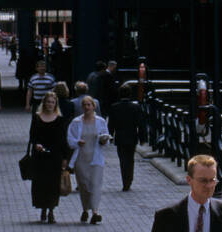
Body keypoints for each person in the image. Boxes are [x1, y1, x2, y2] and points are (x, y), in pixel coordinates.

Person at [67, 96, 110, 225]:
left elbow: (106, 137)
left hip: (96, 158)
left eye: (89, 105)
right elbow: (70, 139)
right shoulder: (76, 122)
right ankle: (85, 209)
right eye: (84, 105)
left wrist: (104, 140)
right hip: (81, 158)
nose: (86, 107)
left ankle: (95, 212)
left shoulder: (100, 121)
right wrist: (77, 142)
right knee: (84, 185)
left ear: (93, 106)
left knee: (95, 185)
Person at [27, 91, 69, 224]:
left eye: (52, 102)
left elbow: (63, 140)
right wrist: (36, 144)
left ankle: (51, 210)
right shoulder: (37, 117)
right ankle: (42, 208)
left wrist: (65, 158)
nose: (50, 104)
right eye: (48, 102)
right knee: (40, 183)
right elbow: (32, 135)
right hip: (40, 156)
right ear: (44, 103)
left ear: (55, 104)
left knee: (53, 184)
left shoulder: (60, 119)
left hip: (54, 156)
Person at [107, 97, 144, 191]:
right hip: (132, 136)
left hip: (120, 136)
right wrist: (142, 138)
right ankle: (129, 179)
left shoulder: (114, 107)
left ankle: (125, 180)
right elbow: (141, 124)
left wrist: (110, 135)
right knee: (130, 159)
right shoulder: (136, 107)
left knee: (122, 160)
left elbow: (111, 123)